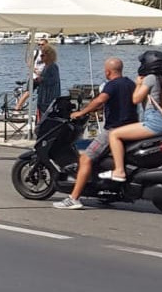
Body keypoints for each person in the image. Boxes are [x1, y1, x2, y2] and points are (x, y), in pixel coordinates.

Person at [54, 58, 136, 210]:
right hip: (131, 127)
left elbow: (100, 100)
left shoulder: (111, 85)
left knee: (85, 158)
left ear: (108, 71)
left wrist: (82, 112)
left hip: (114, 129)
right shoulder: (130, 84)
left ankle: (74, 198)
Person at [99, 51, 162, 183]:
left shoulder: (150, 78)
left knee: (115, 135)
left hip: (154, 121)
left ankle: (119, 171)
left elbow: (135, 99)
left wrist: (138, 84)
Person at [16, 33, 50, 111]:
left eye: (42, 44)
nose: (40, 46)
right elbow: (29, 63)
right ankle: (17, 107)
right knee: (28, 92)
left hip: (43, 77)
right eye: (39, 44)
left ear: (46, 45)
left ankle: (42, 109)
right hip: (34, 76)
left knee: (45, 93)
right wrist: (34, 70)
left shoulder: (48, 54)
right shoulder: (36, 53)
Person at [34, 43, 61, 126]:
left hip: (49, 97)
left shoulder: (52, 66)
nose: (41, 57)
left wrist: (42, 79)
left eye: (43, 55)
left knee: (47, 116)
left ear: (49, 56)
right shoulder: (46, 66)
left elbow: (54, 80)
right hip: (43, 96)